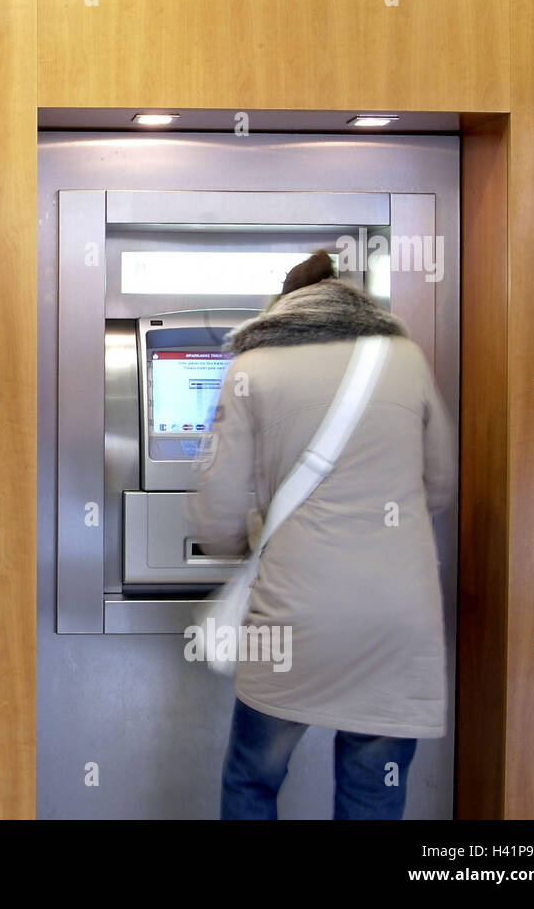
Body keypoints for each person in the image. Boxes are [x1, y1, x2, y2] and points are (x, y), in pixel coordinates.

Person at [188, 250, 456, 820]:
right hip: (396, 621)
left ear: (282, 309)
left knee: (253, 779)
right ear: (353, 301)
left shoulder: (251, 367)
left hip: (295, 618)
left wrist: (246, 542)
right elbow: (439, 486)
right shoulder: (405, 358)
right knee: (371, 790)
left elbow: (218, 514)